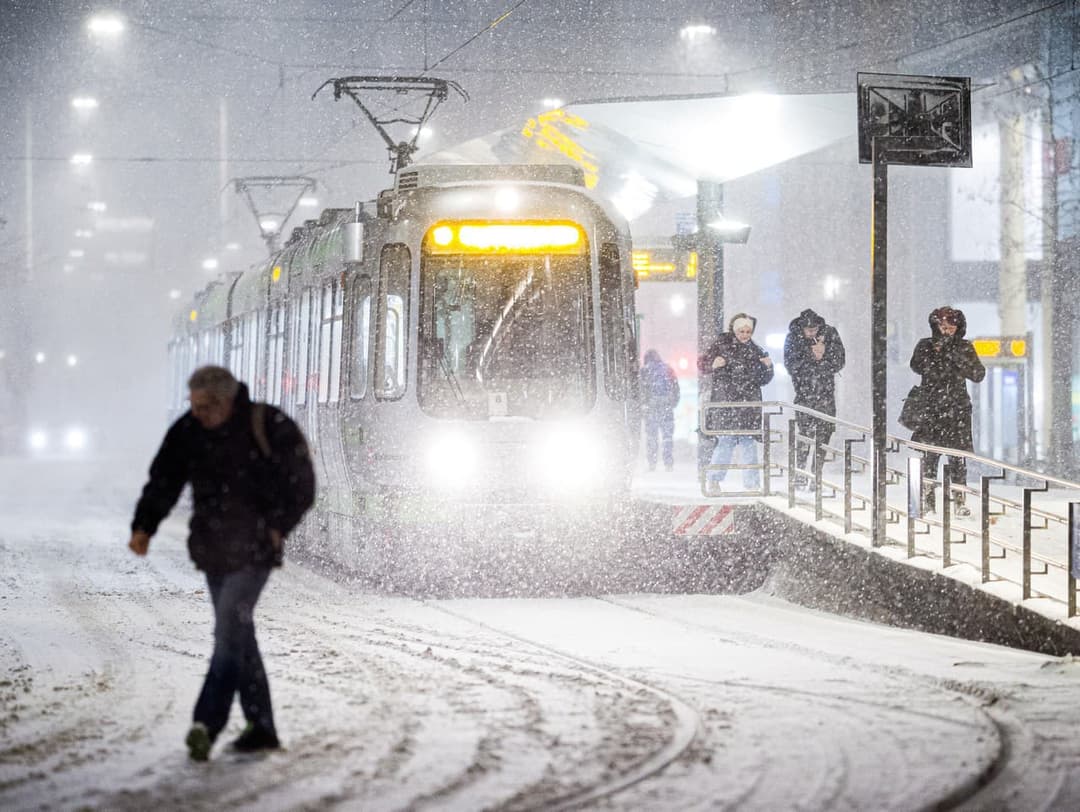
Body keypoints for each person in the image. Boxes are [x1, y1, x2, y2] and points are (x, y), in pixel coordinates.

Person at [128, 365, 315, 761]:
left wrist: (278, 525)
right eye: (193, 405)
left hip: (255, 552)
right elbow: (164, 480)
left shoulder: (268, 424)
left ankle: (205, 723)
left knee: (229, 627)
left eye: (207, 406)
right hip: (213, 551)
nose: (199, 413)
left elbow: (302, 482)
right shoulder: (189, 430)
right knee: (239, 633)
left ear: (228, 401)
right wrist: (144, 525)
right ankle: (261, 727)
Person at [909, 306, 985, 515]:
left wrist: (956, 356)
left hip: (957, 410)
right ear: (935, 326)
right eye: (943, 326)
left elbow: (978, 374)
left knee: (957, 459)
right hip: (932, 409)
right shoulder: (926, 345)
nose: (947, 331)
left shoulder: (964, 347)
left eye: (952, 327)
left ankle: (959, 500)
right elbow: (916, 366)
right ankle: (927, 499)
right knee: (930, 457)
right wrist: (937, 354)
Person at [699, 313, 774, 491]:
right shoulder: (722, 345)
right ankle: (715, 480)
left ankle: (752, 484)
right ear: (734, 330)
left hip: (746, 405)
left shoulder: (757, 350)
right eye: (742, 331)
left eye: (748, 331)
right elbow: (702, 364)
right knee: (726, 443)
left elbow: (764, 379)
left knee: (747, 445)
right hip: (728, 404)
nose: (745, 334)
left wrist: (768, 367)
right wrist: (713, 364)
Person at [783, 309, 846, 488]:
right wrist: (812, 355)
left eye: (814, 329)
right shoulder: (793, 338)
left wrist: (824, 355)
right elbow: (791, 365)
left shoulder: (830, 334)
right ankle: (800, 473)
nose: (812, 332)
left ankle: (815, 474)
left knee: (824, 434)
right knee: (804, 434)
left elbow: (840, 360)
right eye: (808, 329)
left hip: (825, 393)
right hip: (804, 393)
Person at [640, 349, 680, 471]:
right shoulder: (668, 369)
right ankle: (668, 463)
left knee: (652, 437)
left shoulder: (644, 370)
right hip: (666, 407)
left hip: (651, 408)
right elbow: (675, 387)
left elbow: (641, 390)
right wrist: (672, 403)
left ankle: (652, 463)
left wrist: (644, 405)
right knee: (667, 437)